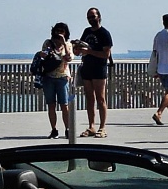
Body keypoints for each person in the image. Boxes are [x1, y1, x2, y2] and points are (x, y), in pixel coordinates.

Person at [74, 7, 112, 137]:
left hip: (99, 69)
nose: (91, 19)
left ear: (99, 17)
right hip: (87, 68)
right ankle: (91, 126)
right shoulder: (87, 31)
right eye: (89, 17)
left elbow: (106, 54)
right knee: (89, 98)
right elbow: (80, 48)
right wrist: (77, 48)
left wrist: (89, 51)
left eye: (93, 16)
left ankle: (102, 127)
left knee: (100, 98)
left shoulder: (104, 33)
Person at [38, 22, 73, 139]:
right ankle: (54, 129)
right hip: (49, 77)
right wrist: (44, 54)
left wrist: (63, 43)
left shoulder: (67, 44)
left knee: (64, 105)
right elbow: (43, 56)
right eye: (57, 31)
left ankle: (68, 129)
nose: (59, 33)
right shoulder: (48, 43)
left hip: (62, 77)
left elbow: (69, 58)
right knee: (51, 105)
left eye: (62, 31)